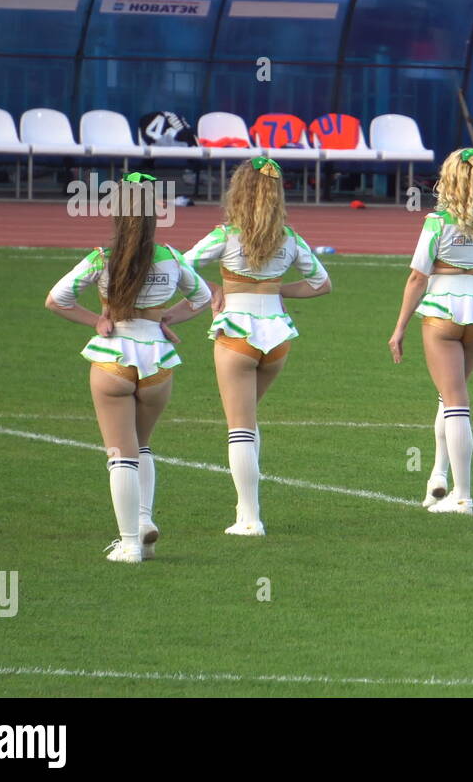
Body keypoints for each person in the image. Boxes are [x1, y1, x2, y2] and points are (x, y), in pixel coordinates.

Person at [45, 173, 212, 562]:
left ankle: (130, 543)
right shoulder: (172, 258)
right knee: (143, 444)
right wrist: (167, 318)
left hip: (113, 357)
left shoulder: (102, 259)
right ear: (155, 214)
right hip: (157, 360)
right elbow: (203, 299)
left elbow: (56, 300)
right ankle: (143, 519)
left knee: (120, 453)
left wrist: (96, 321)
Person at [185, 158, 332, 537]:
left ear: (239, 190)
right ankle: (244, 511)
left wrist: (213, 291)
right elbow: (322, 285)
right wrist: (277, 288)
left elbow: (179, 269)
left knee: (239, 429)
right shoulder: (289, 238)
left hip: (236, 334)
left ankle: (249, 518)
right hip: (278, 338)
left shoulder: (225, 235)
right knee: (248, 423)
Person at [389, 149, 473, 515]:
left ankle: (463, 496)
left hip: (442, 311)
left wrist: (399, 328)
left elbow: (417, 277)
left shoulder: (437, 221)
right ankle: (437, 476)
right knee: (450, 395)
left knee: (455, 400)